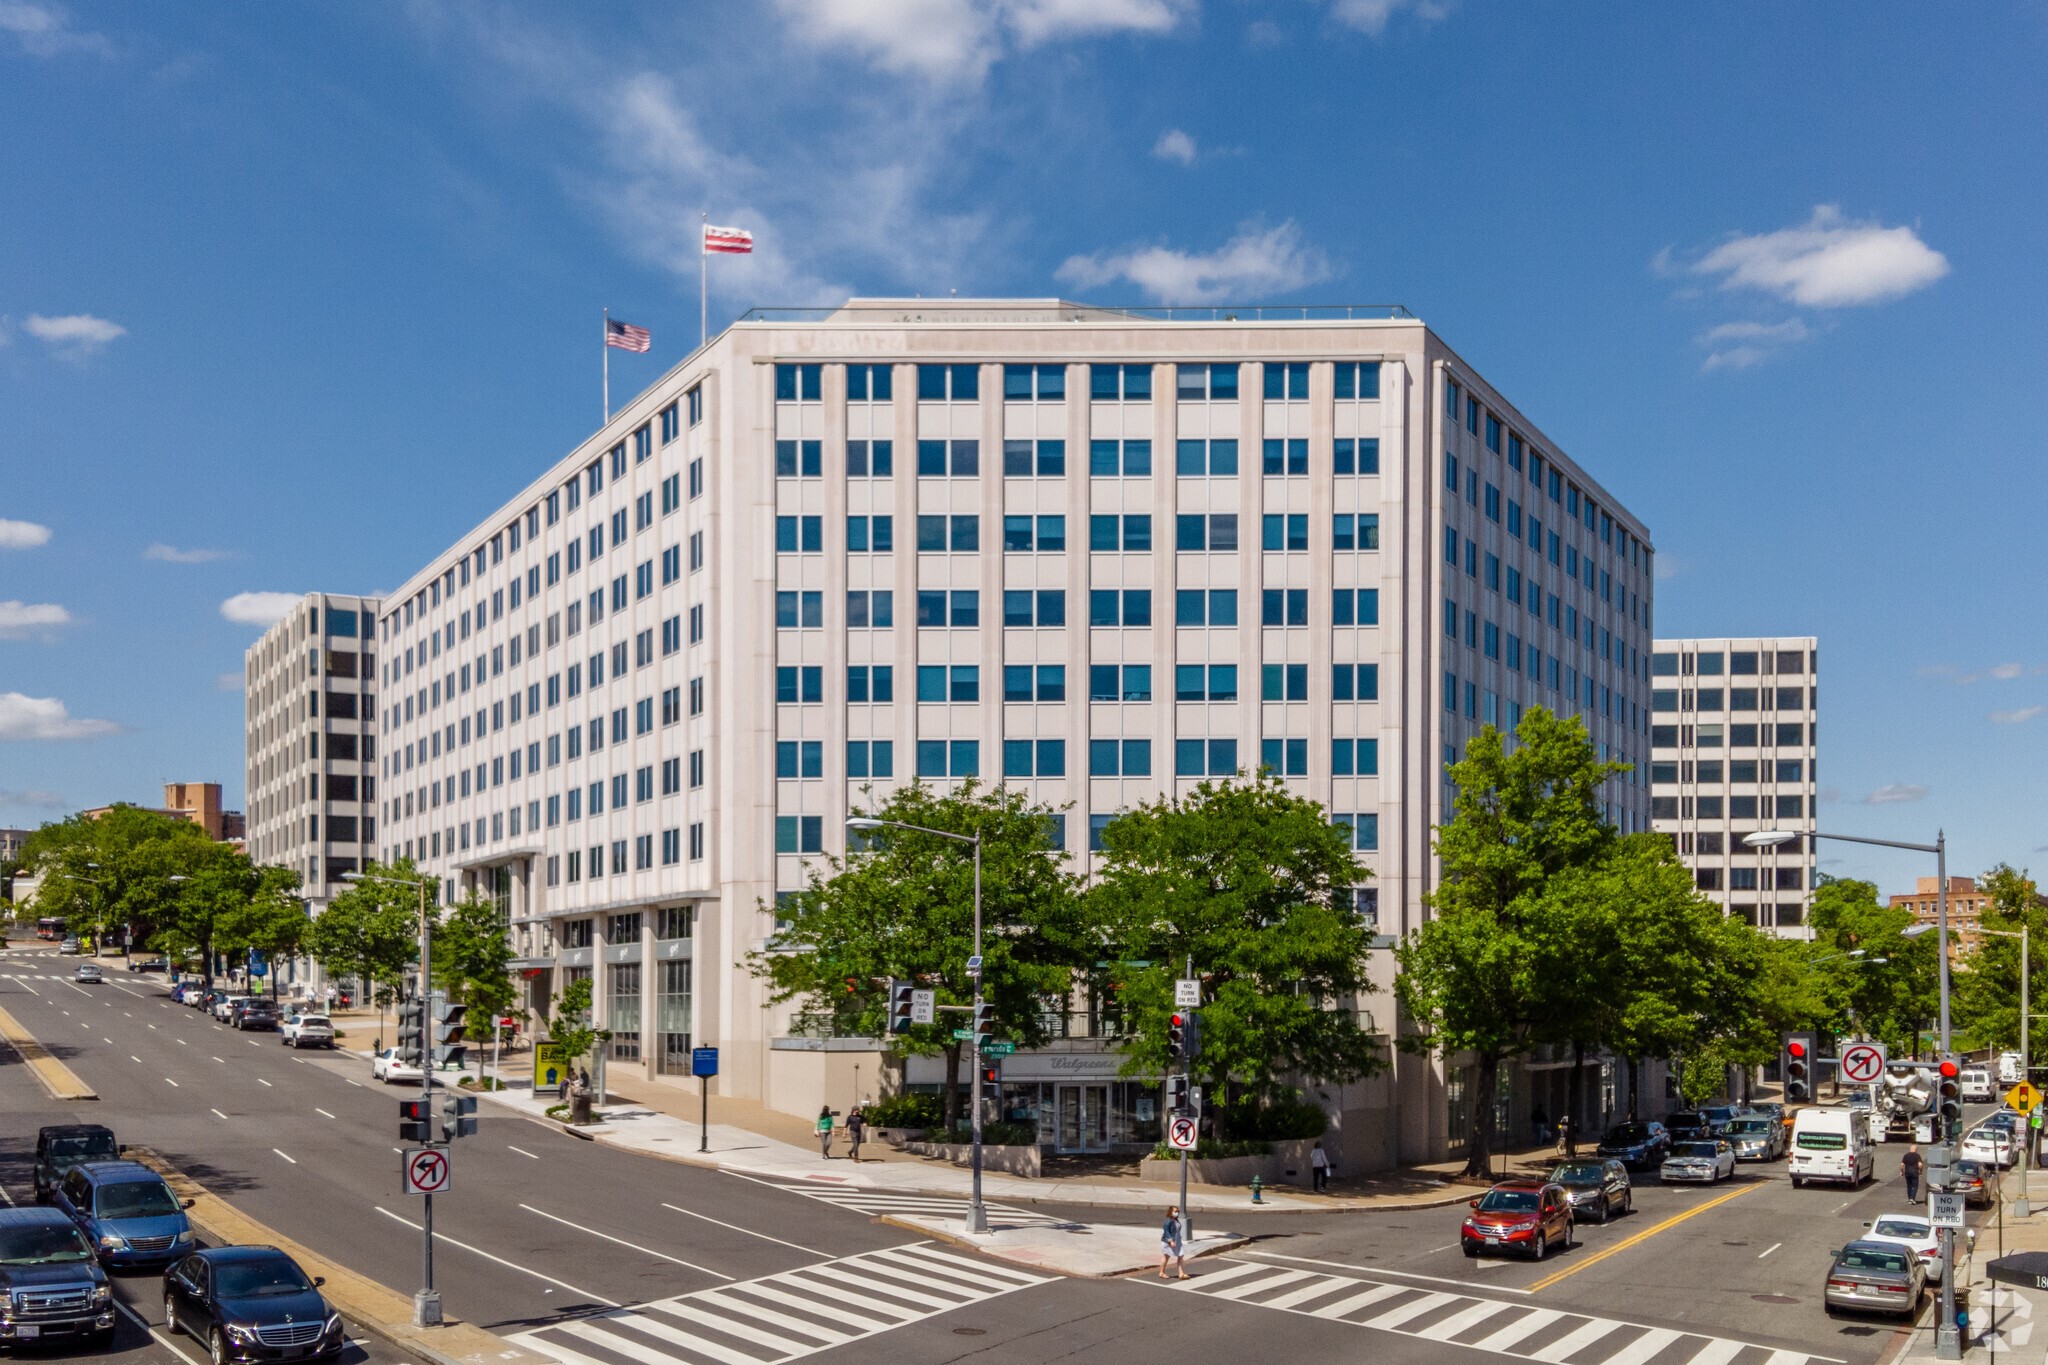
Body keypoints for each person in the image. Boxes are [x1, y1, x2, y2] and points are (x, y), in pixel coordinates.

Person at [1158, 1205, 1188, 1280]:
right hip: (1168, 1242)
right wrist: (1170, 1241)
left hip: (1177, 1241)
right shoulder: (1168, 1221)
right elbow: (1166, 1231)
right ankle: (1161, 1272)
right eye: (1175, 1211)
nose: (1176, 1213)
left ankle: (1181, 1273)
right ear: (1171, 1212)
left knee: (1180, 1255)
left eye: (1177, 1211)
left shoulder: (1176, 1220)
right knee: (1166, 1256)